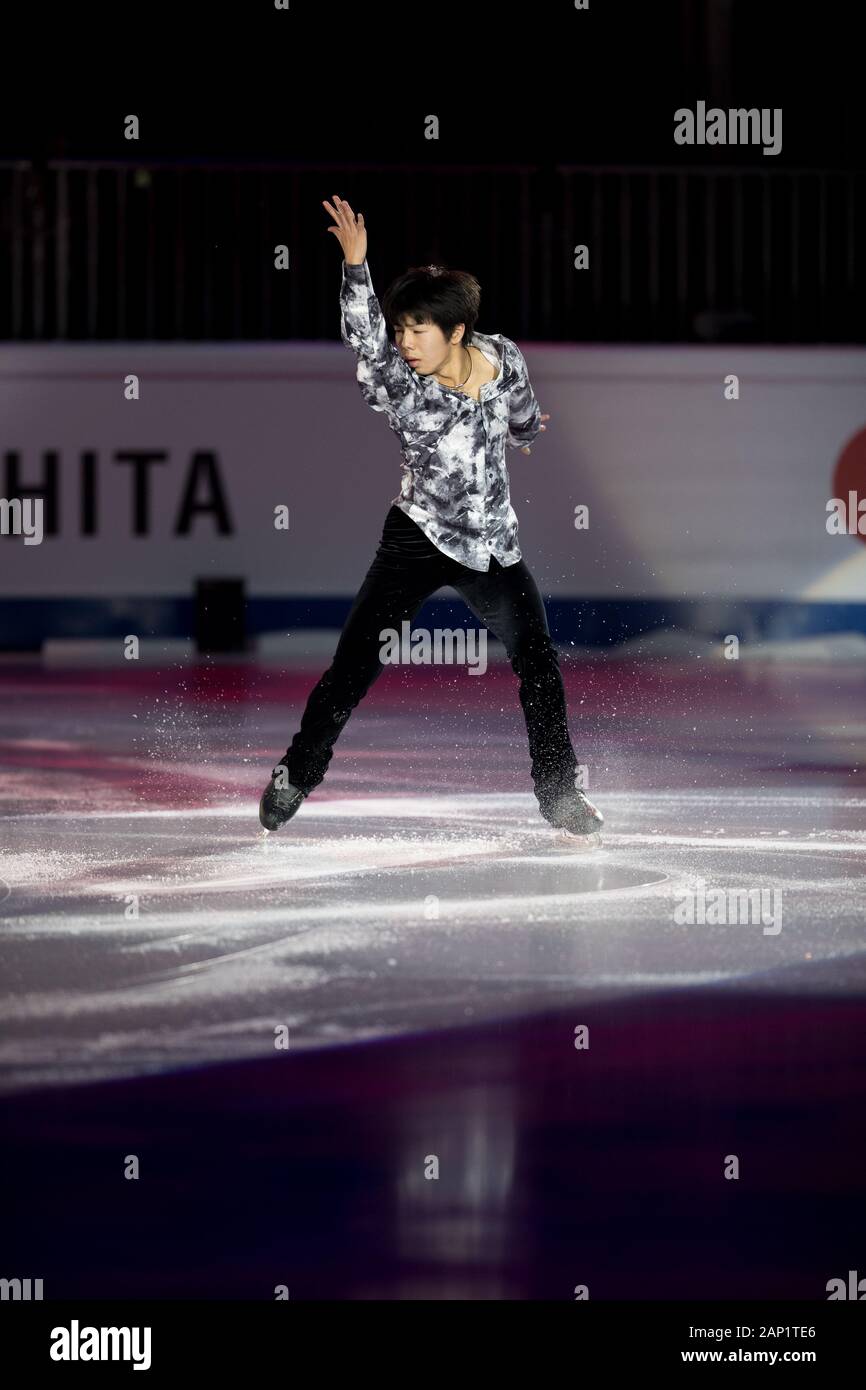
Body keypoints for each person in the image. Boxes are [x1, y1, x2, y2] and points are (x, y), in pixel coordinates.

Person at [259, 194, 604, 840]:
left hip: (494, 547)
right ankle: (297, 774)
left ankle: (559, 795)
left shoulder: (503, 361)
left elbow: (525, 414)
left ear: (457, 333)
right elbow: (364, 337)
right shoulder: (401, 384)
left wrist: (528, 428)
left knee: (538, 662)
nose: (405, 342)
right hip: (416, 538)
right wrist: (355, 266)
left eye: (418, 329)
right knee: (353, 667)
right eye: (402, 329)